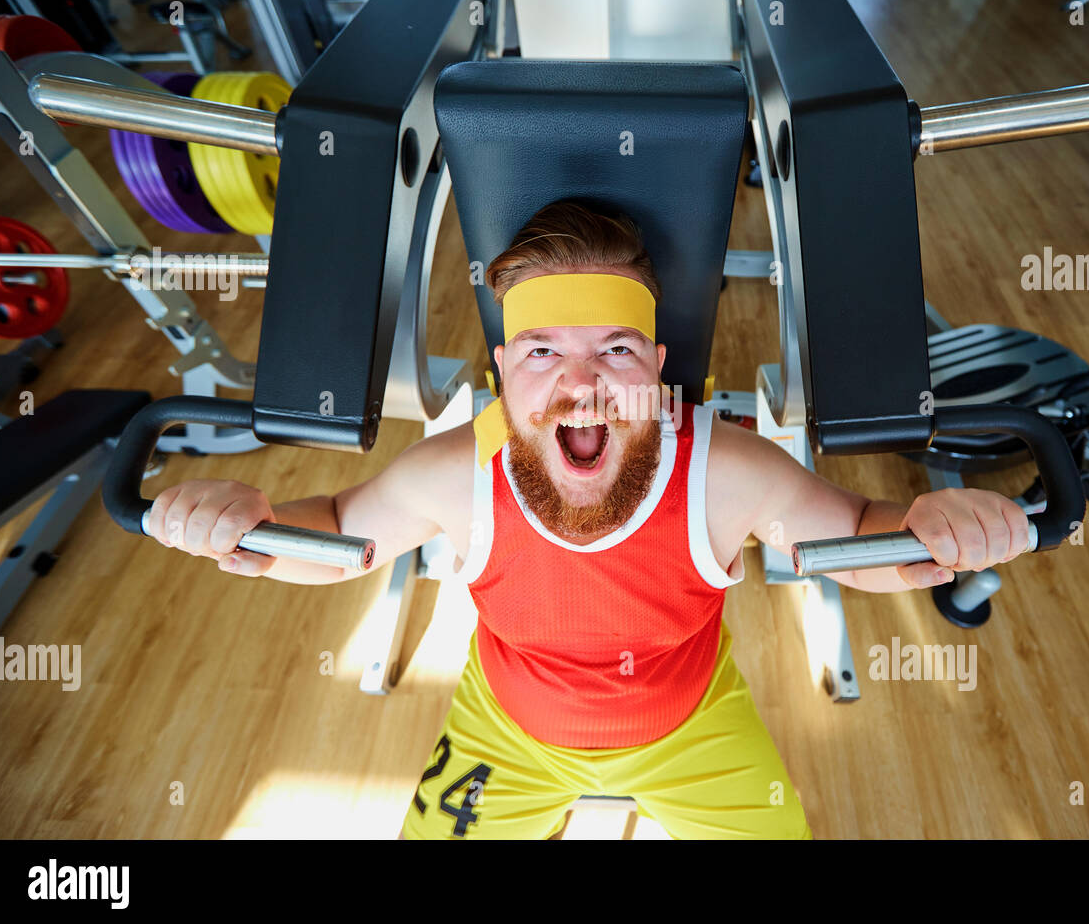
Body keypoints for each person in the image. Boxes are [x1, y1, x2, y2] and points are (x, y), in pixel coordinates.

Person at [149, 200, 1033, 839]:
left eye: (613, 350)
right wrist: (254, 529)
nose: (581, 384)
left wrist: (933, 532)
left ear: (654, 364)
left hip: (694, 731)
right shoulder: (460, 471)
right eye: (543, 352)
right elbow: (342, 535)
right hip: (506, 732)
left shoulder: (721, 469)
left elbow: (856, 542)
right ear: (503, 370)